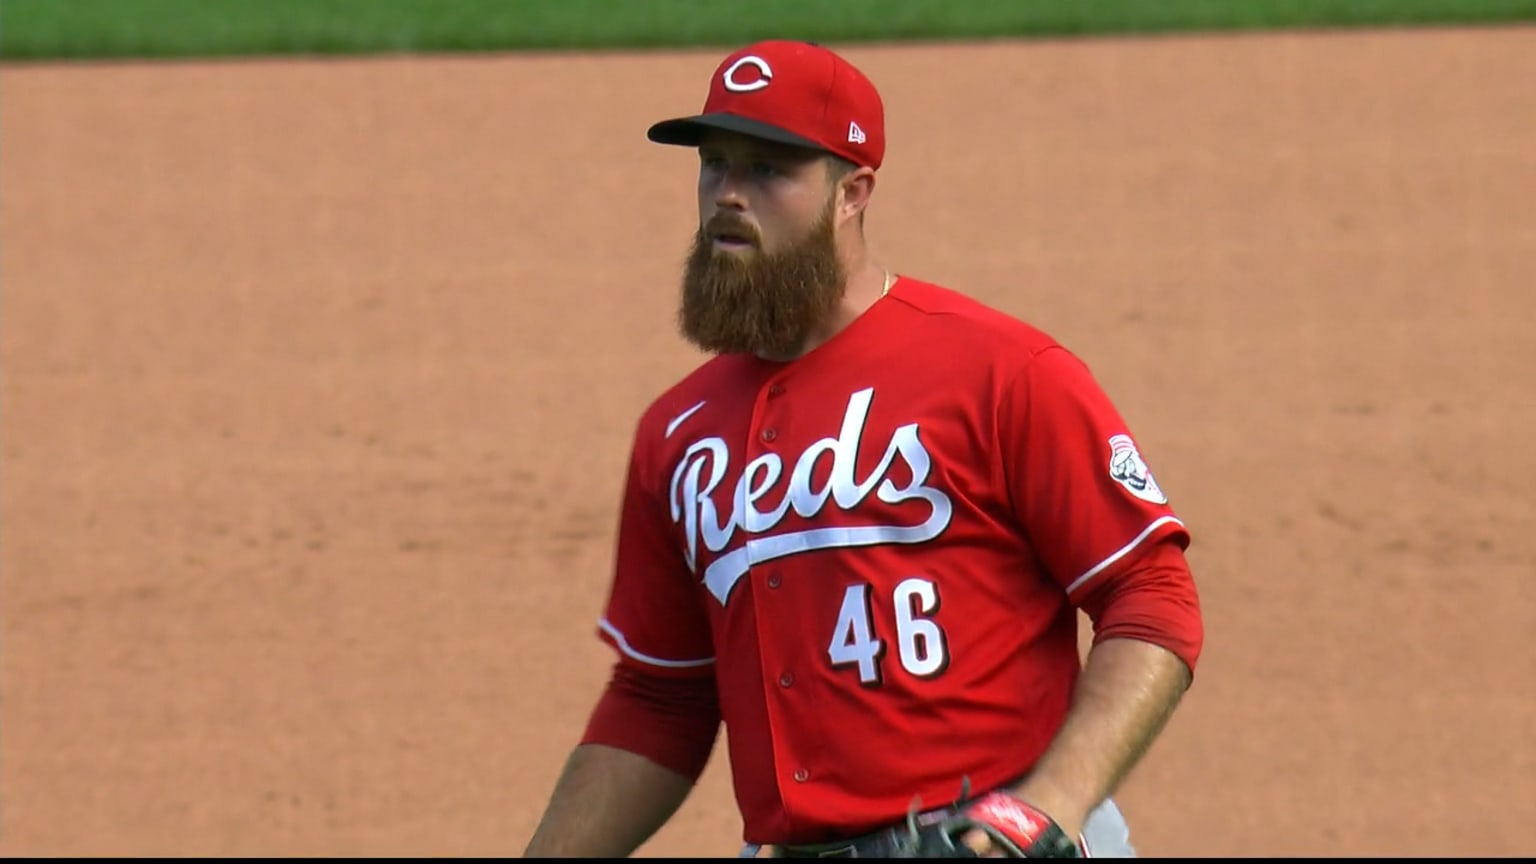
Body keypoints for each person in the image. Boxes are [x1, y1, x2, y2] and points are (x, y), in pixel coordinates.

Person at [522, 39, 1204, 859]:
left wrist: (1046, 807)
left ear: (854, 192)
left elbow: (1152, 594)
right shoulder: (679, 434)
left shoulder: (1001, 373)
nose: (729, 196)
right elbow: (660, 696)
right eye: (715, 165)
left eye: (770, 170)